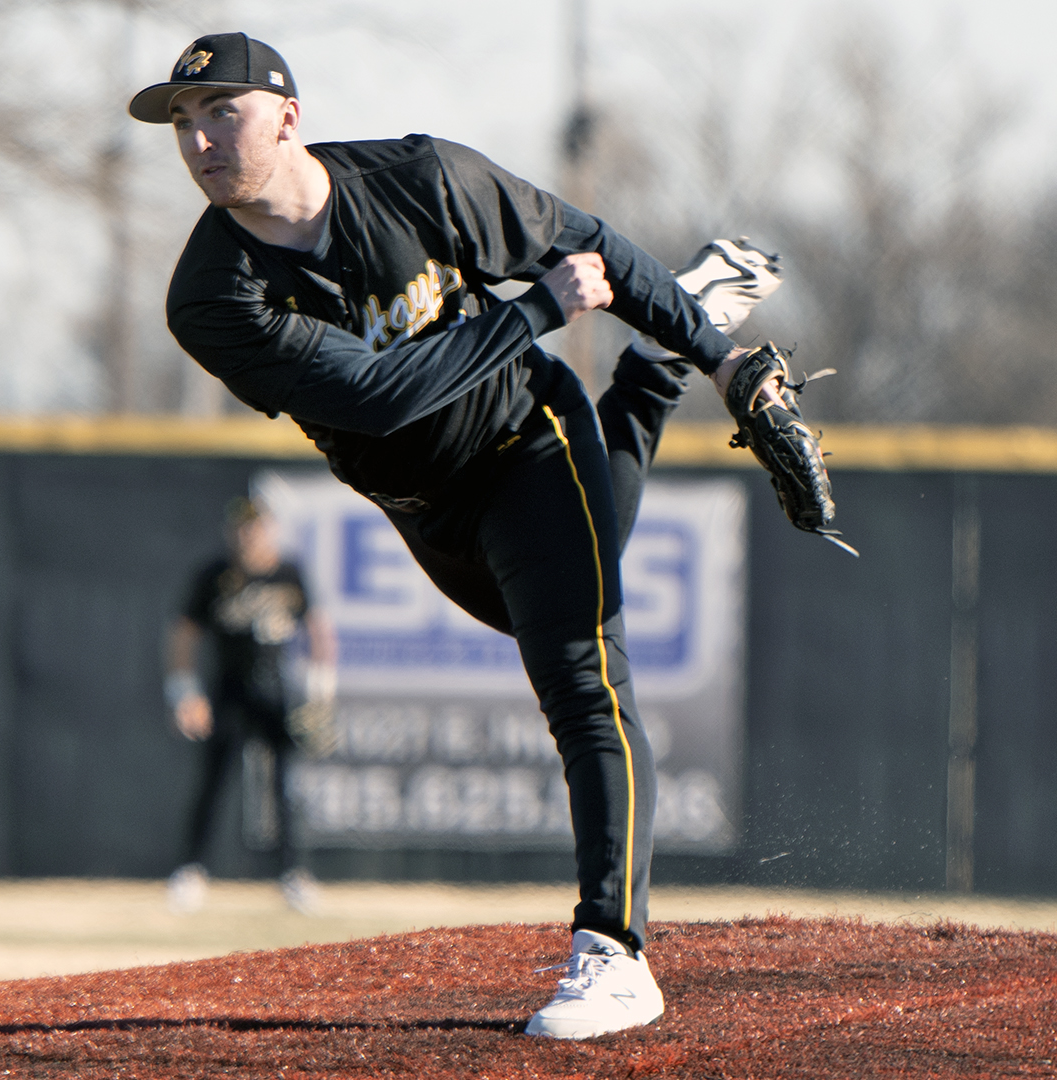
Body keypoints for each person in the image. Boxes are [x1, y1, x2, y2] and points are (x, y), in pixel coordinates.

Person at [128, 32, 784, 1040]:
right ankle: (653, 374)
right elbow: (376, 397)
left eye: (223, 109)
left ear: (288, 115)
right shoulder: (213, 296)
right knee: (576, 587)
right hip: (428, 508)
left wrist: (723, 362)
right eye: (183, 119)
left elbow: (590, 241)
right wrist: (532, 314)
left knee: (581, 673)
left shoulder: (423, 178)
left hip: (529, 437)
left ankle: (615, 954)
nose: (200, 137)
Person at [164, 496, 337, 916]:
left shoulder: (288, 573)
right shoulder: (215, 576)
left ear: (270, 530)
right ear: (232, 532)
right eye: (243, 528)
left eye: (257, 527)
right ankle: (191, 871)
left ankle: (293, 875)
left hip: (275, 690)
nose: (249, 535)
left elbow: (318, 632)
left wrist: (319, 692)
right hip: (228, 688)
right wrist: (184, 692)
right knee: (213, 782)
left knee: (283, 786)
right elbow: (184, 636)